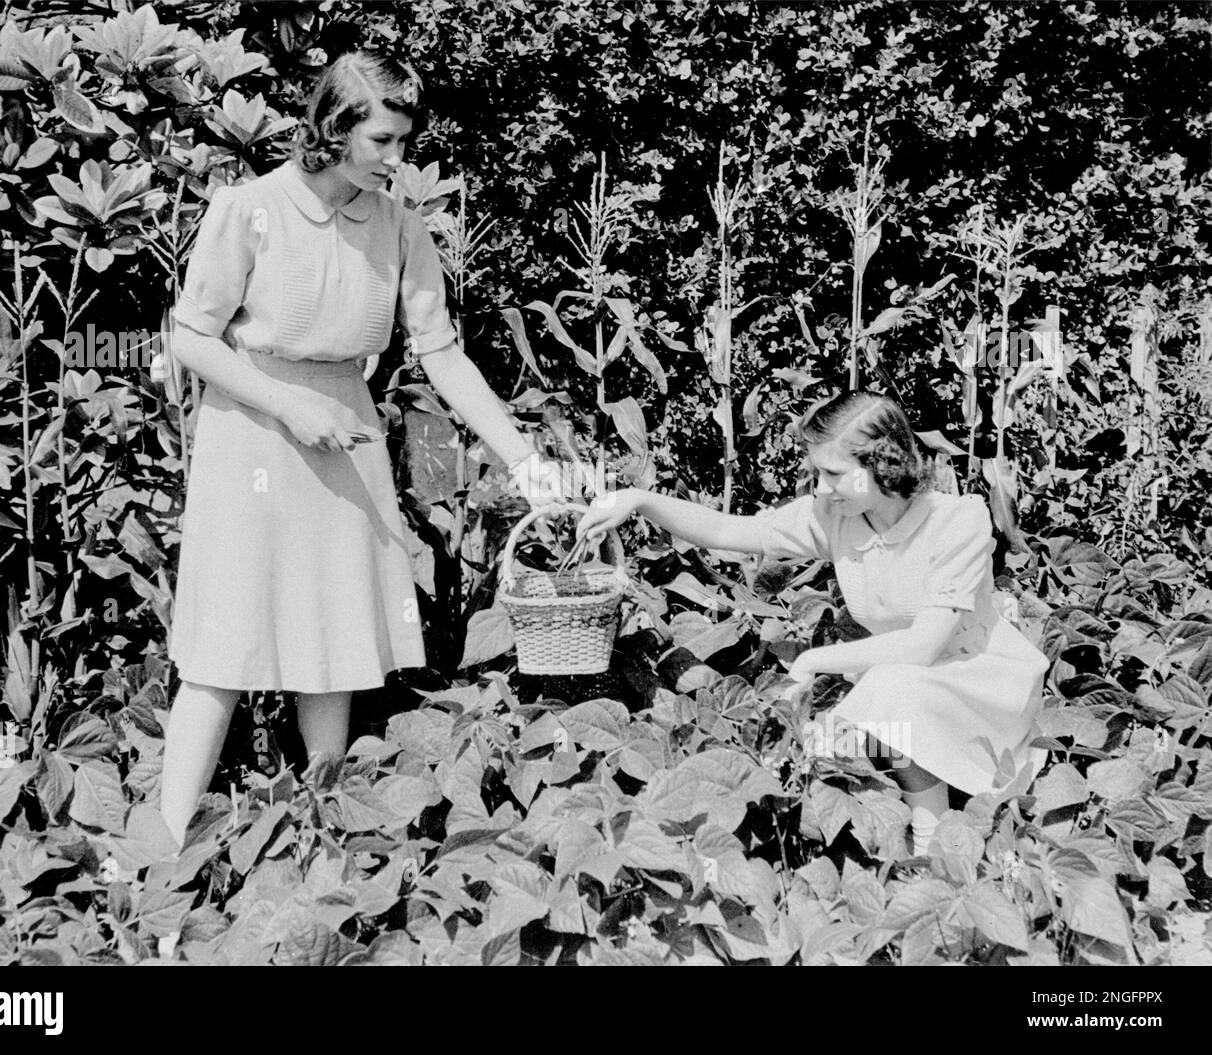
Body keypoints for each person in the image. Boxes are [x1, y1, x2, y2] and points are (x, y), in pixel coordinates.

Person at [160, 51, 564, 846]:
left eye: (404, 141)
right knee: (224, 642)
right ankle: (162, 855)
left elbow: (441, 351)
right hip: (252, 431)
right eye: (381, 140)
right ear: (334, 128)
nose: (396, 158)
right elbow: (190, 338)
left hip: (346, 431)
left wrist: (524, 458)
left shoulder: (398, 224)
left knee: (335, 636)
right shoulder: (250, 210)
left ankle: (321, 830)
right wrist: (286, 404)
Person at [576, 391, 1049, 856]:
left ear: (883, 466)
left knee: (893, 692)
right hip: (895, 672)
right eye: (818, 472)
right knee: (856, 716)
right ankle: (856, 829)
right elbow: (728, 531)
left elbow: (925, 646)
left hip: (974, 675)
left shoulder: (956, 521)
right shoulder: (837, 516)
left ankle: (933, 842)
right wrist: (638, 500)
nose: (820, 487)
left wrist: (814, 659)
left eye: (834, 473)